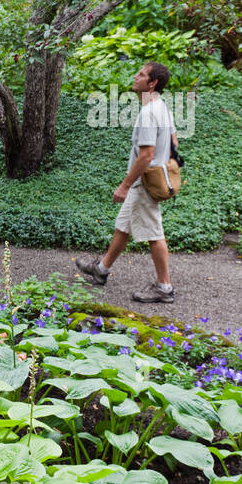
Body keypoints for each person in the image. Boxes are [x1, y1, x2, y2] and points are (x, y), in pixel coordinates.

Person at [76, 61, 179, 303]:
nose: (135, 77)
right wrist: (169, 167)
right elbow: (174, 140)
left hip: (145, 182)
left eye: (141, 75)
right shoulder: (162, 106)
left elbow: (146, 155)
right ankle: (101, 269)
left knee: (154, 233)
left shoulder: (148, 112)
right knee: (123, 225)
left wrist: (124, 185)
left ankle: (164, 288)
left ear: (152, 83)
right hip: (151, 178)